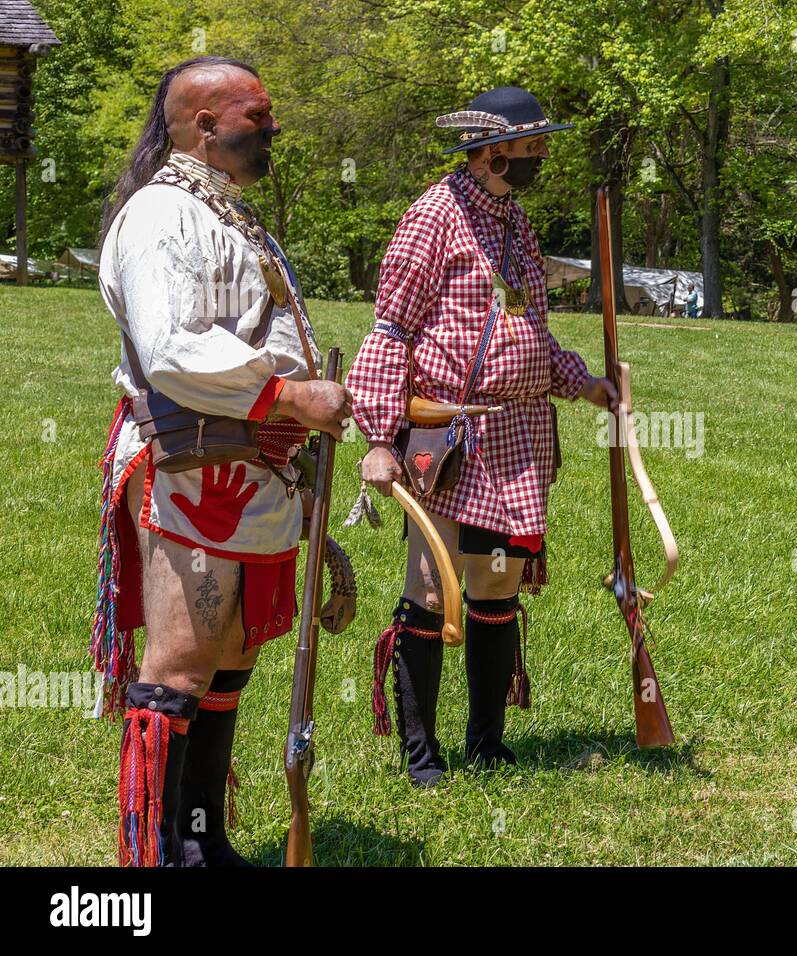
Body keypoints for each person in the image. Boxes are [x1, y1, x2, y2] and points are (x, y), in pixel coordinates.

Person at [93, 57, 351, 866]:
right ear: (205, 124)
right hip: (189, 468)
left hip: (253, 470)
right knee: (181, 663)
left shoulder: (235, 216)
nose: (273, 129)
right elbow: (171, 349)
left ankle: (205, 841)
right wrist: (288, 396)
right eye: (259, 115)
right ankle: (160, 853)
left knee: (233, 651)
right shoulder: (160, 214)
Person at [348, 87, 618, 786]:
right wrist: (379, 436)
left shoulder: (517, 224)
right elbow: (391, 332)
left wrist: (581, 380)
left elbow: (529, 330)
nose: (542, 156)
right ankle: (421, 756)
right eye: (533, 145)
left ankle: (488, 745)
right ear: (494, 150)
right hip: (447, 435)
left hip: (517, 435)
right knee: (432, 593)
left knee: (496, 589)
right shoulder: (432, 218)